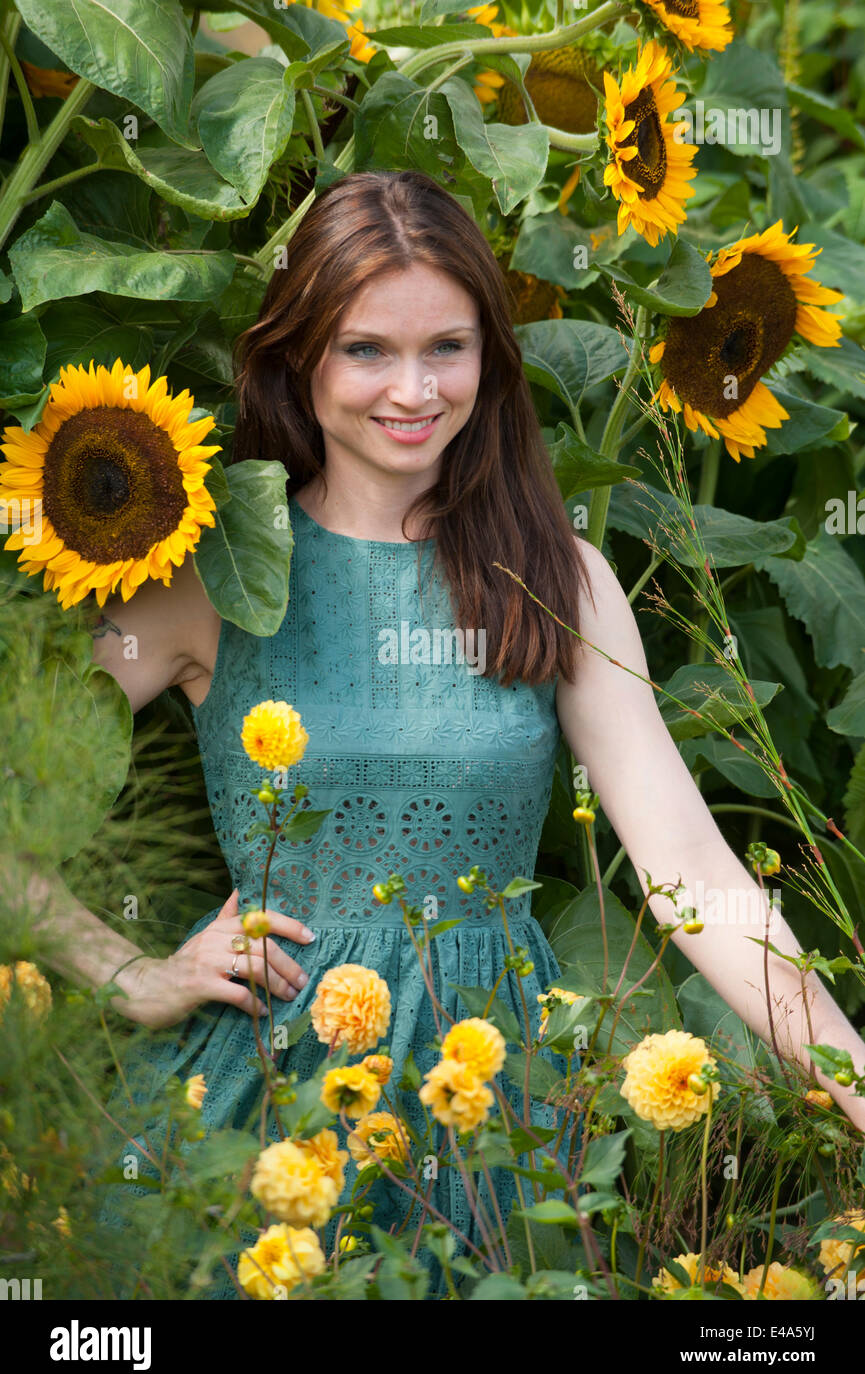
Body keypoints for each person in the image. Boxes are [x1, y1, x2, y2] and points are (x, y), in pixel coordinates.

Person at [23, 169, 865, 1298]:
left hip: (500, 1122)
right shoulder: (212, 579)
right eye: (366, 349)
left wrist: (852, 1074)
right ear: (298, 356)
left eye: (447, 349)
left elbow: (693, 874)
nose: (412, 389)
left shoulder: (557, 577)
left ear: (492, 358)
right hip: (266, 1113)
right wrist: (126, 972)